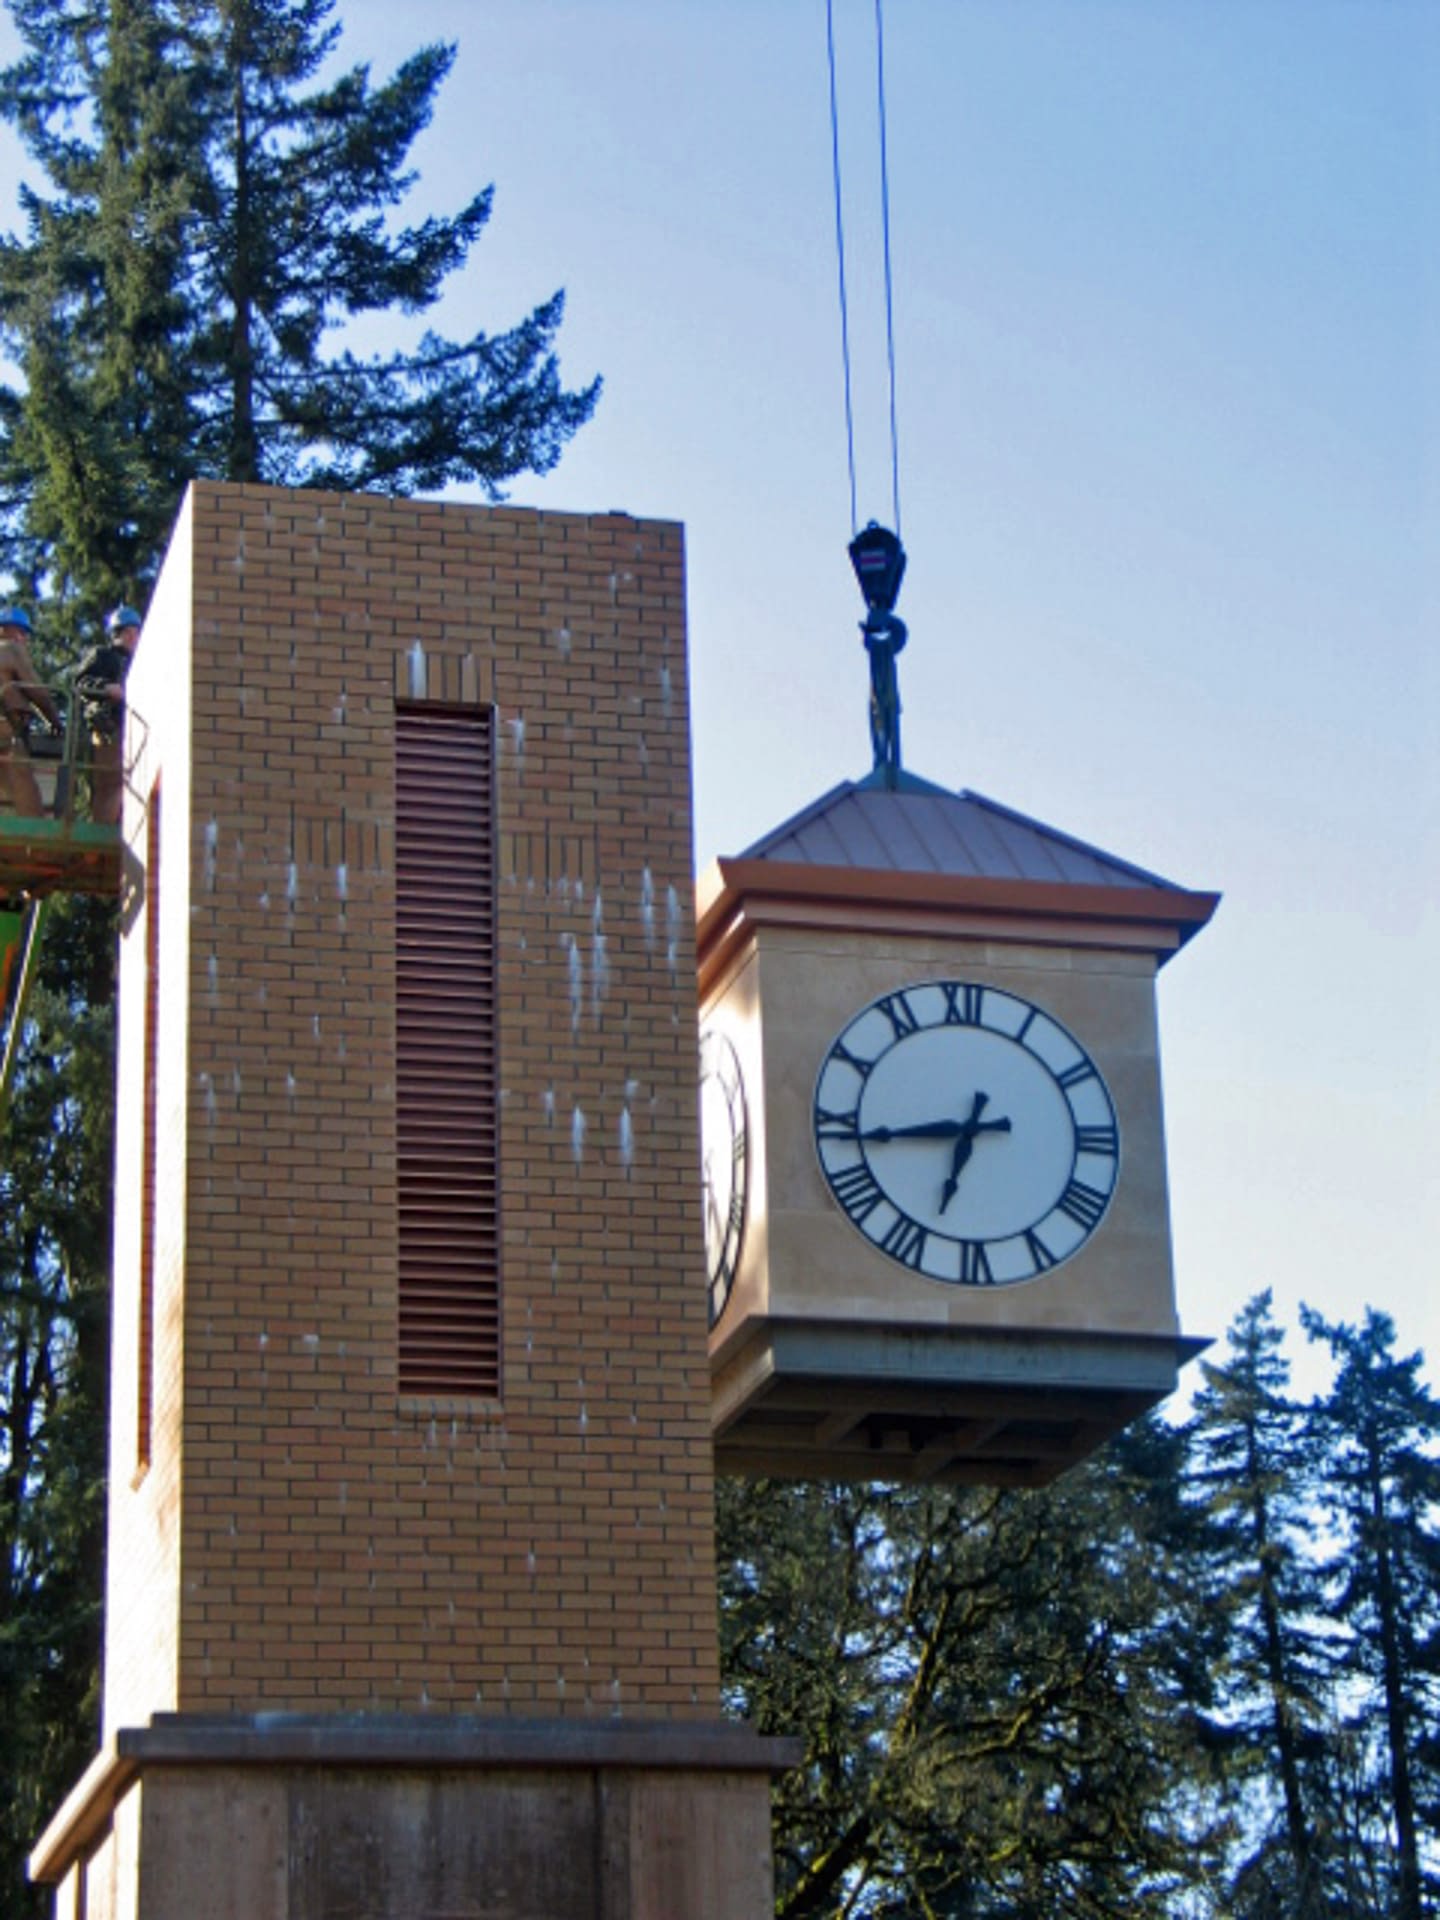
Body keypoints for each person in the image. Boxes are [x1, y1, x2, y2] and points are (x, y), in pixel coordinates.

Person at [75, 604, 143, 826]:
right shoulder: (102, 655)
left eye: (135, 632)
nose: (132, 637)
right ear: (117, 633)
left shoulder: (141, 663)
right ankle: (100, 834)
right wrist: (106, 687)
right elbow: (81, 683)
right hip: (108, 728)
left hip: (134, 730)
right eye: (127, 632)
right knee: (108, 784)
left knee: (129, 785)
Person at [0, 605, 62, 817]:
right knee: (25, 788)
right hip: (6, 730)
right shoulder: (10, 649)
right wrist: (54, 722)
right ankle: (39, 847)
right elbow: (38, 693)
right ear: (11, 631)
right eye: (22, 633)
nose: (23, 639)